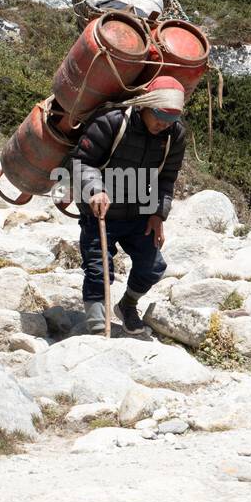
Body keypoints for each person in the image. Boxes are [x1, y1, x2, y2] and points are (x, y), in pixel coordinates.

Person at [70, 75, 188, 335]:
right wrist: (95, 190)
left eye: (170, 119)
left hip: (139, 211)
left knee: (153, 267)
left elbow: (167, 178)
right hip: (99, 210)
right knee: (99, 269)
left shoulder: (173, 135)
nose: (162, 124)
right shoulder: (113, 121)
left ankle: (127, 305)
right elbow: (81, 161)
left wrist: (158, 214)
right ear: (146, 104)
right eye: (159, 116)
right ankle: (97, 328)